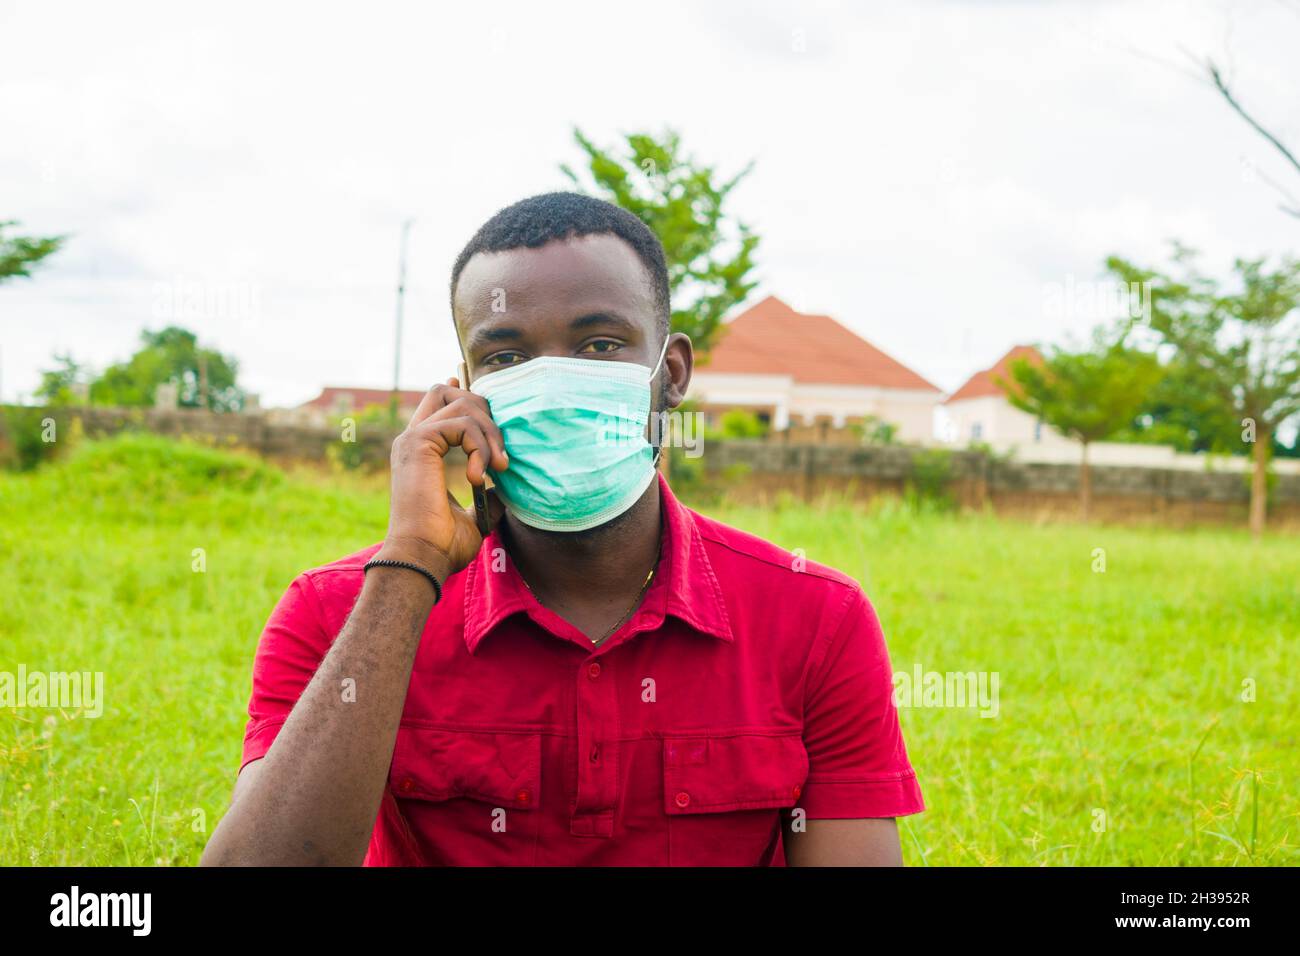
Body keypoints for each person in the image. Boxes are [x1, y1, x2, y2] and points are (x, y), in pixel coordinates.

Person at [200, 192, 923, 866]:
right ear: (467, 390)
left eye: (600, 344)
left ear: (670, 373)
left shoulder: (815, 618)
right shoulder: (337, 613)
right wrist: (411, 565)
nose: (552, 383)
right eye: (507, 357)